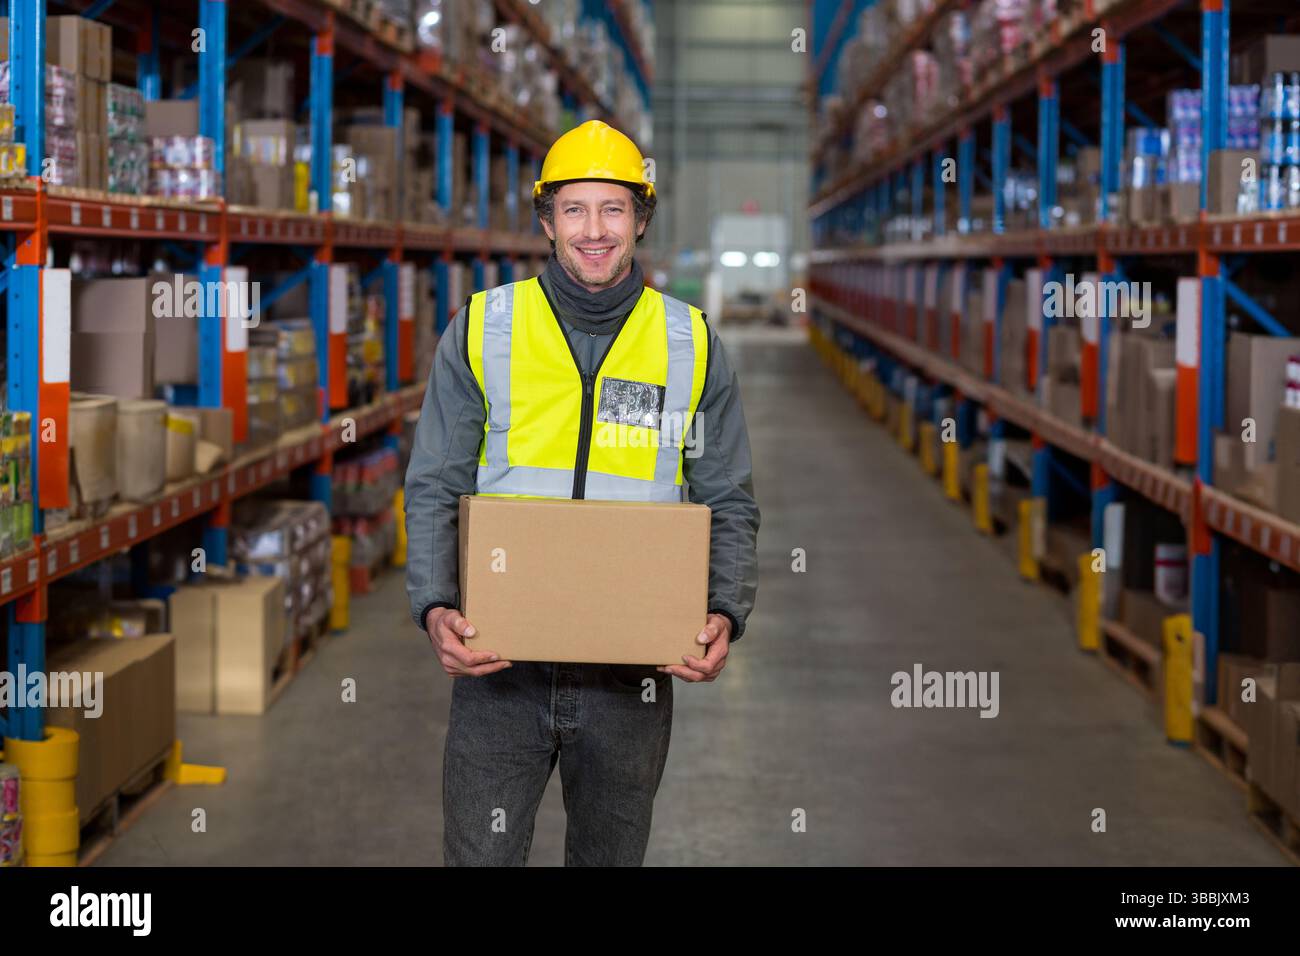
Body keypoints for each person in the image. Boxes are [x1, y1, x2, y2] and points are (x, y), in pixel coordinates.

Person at [404, 120, 760, 866]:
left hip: (630, 676)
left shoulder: (690, 343)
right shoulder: (483, 329)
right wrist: (436, 605)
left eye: (612, 209)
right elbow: (436, 478)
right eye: (574, 209)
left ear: (639, 220)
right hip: (500, 665)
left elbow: (726, 493)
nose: (593, 231)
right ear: (546, 221)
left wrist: (724, 609)